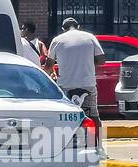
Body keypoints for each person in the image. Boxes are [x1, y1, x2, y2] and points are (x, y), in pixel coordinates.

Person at [43, 17, 105, 148]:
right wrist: (87, 63)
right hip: (87, 84)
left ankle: (64, 146)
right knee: (93, 116)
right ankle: (98, 147)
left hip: (65, 86)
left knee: (64, 117)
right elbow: (101, 60)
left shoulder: (57, 40)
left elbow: (48, 65)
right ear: (78, 26)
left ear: (63, 29)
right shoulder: (90, 37)